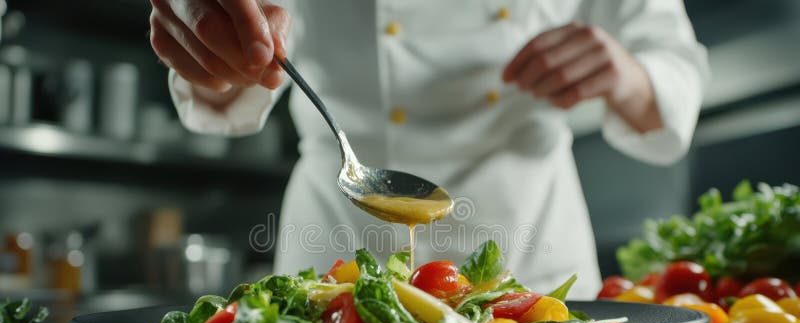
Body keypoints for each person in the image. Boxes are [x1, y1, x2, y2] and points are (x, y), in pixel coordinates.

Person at [149, 0, 709, 297]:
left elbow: (675, 71)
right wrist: (213, 49)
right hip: (336, 251)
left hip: (532, 261)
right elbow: (229, 73)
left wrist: (628, 74)